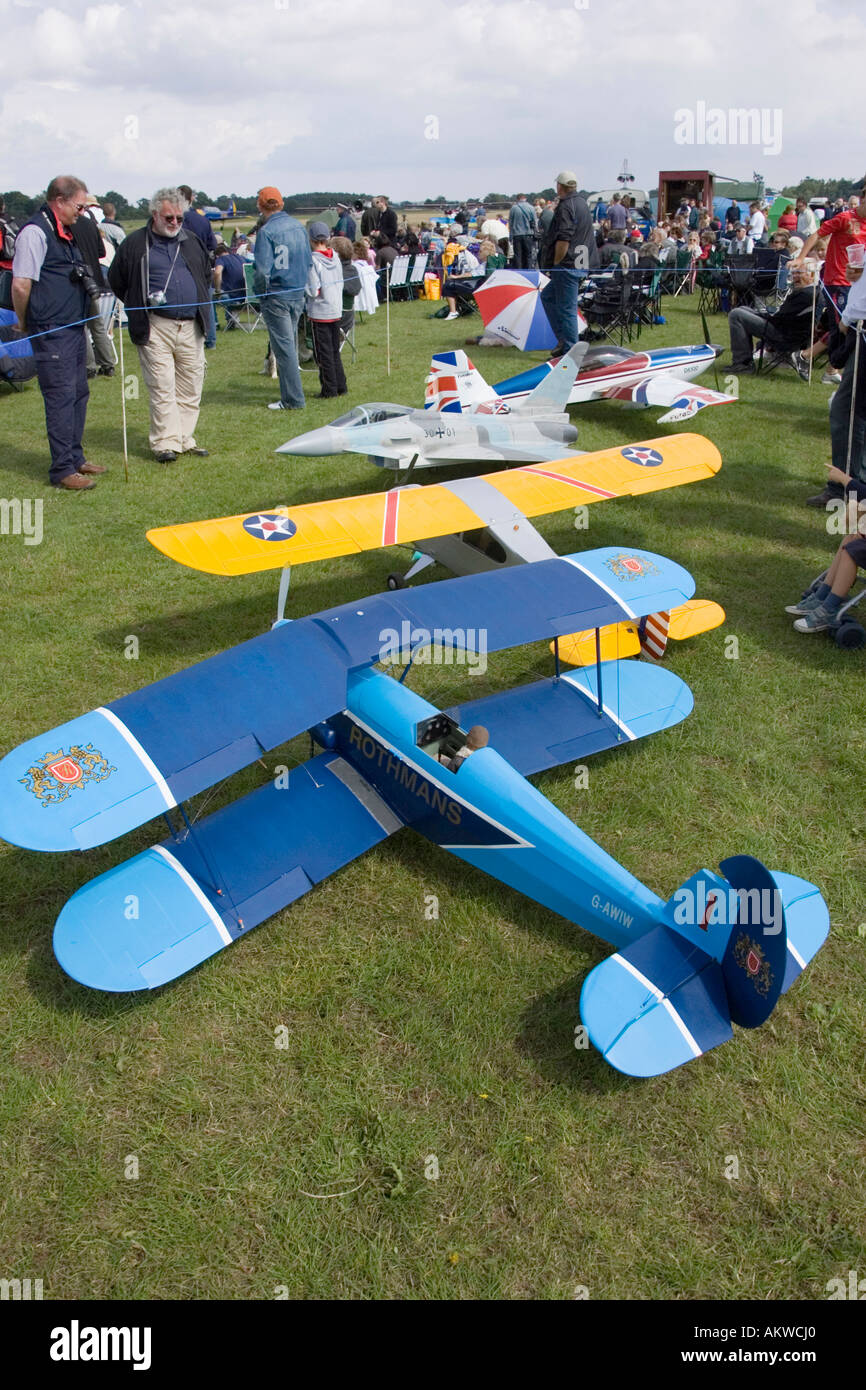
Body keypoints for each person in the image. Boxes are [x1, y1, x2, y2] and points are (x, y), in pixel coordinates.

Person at [11, 175, 107, 489]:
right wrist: (25, 322)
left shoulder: (65, 231)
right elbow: (21, 284)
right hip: (51, 330)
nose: (82, 212)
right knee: (61, 397)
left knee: (79, 393)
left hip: (73, 327)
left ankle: (75, 458)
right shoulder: (35, 232)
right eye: (79, 206)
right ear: (60, 201)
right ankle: (62, 470)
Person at [108, 186, 212, 462]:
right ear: (155, 215)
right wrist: (138, 304)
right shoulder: (134, 244)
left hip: (191, 325)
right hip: (155, 326)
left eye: (179, 218)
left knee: (191, 386)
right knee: (162, 385)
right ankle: (165, 443)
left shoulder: (191, 241)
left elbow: (204, 274)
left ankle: (185, 439)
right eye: (169, 218)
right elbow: (117, 280)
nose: (175, 223)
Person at [252, 185, 311, 411]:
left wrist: (261, 294)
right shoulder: (298, 227)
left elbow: (261, 270)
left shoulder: (266, 232)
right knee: (289, 346)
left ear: (260, 206)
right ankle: (291, 395)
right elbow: (308, 261)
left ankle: (293, 400)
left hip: (277, 295)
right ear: (282, 203)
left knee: (284, 349)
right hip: (297, 293)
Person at [539, 170, 597, 355]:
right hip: (580, 262)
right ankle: (563, 341)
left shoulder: (566, 206)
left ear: (560, 186)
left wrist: (556, 262)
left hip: (567, 264)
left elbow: (564, 238)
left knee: (567, 309)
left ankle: (571, 350)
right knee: (547, 297)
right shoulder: (581, 203)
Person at [726, 264, 817, 374]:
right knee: (743, 309)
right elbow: (783, 316)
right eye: (793, 273)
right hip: (785, 329)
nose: (795, 277)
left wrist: (764, 315)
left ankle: (742, 364)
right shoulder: (811, 291)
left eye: (799, 273)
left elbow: (780, 318)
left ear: (811, 275)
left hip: (784, 336)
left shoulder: (806, 295)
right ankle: (744, 361)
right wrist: (763, 314)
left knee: (736, 314)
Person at [305, 221, 347, 398]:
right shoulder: (335, 257)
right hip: (335, 308)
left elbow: (313, 290)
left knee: (323, 354)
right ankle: (340, 385)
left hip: (320, 311)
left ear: (311, 240)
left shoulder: (313, 260)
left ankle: (329, 389)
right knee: (334, 351)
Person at [177, 185, 217, 349]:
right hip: (202, 266)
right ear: (191, 198)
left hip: (181, 267)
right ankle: (210, 338)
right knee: (206, 302)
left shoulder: (175, 220)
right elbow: (212, 245)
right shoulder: (202, 220)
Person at [213, 239, 246, 329]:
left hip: (232, 298)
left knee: (210, 296)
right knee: (227, 290)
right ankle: (231, 319)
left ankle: (214, 323)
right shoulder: (241, 258)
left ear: (217, 256)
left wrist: (217, 290)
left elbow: (217, 272)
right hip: (246, 297)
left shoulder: (221, 259)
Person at [507, 194, 537, 269]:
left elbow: (511, 223)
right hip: (528, 234)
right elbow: (535, 222)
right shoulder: (531, 208)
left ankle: (519, 271)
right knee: (528, 255)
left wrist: (510, 237)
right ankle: (529, 270)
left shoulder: (514, 208)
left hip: (517, 235)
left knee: (518, 255)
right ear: (525, 199)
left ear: (517, 199)